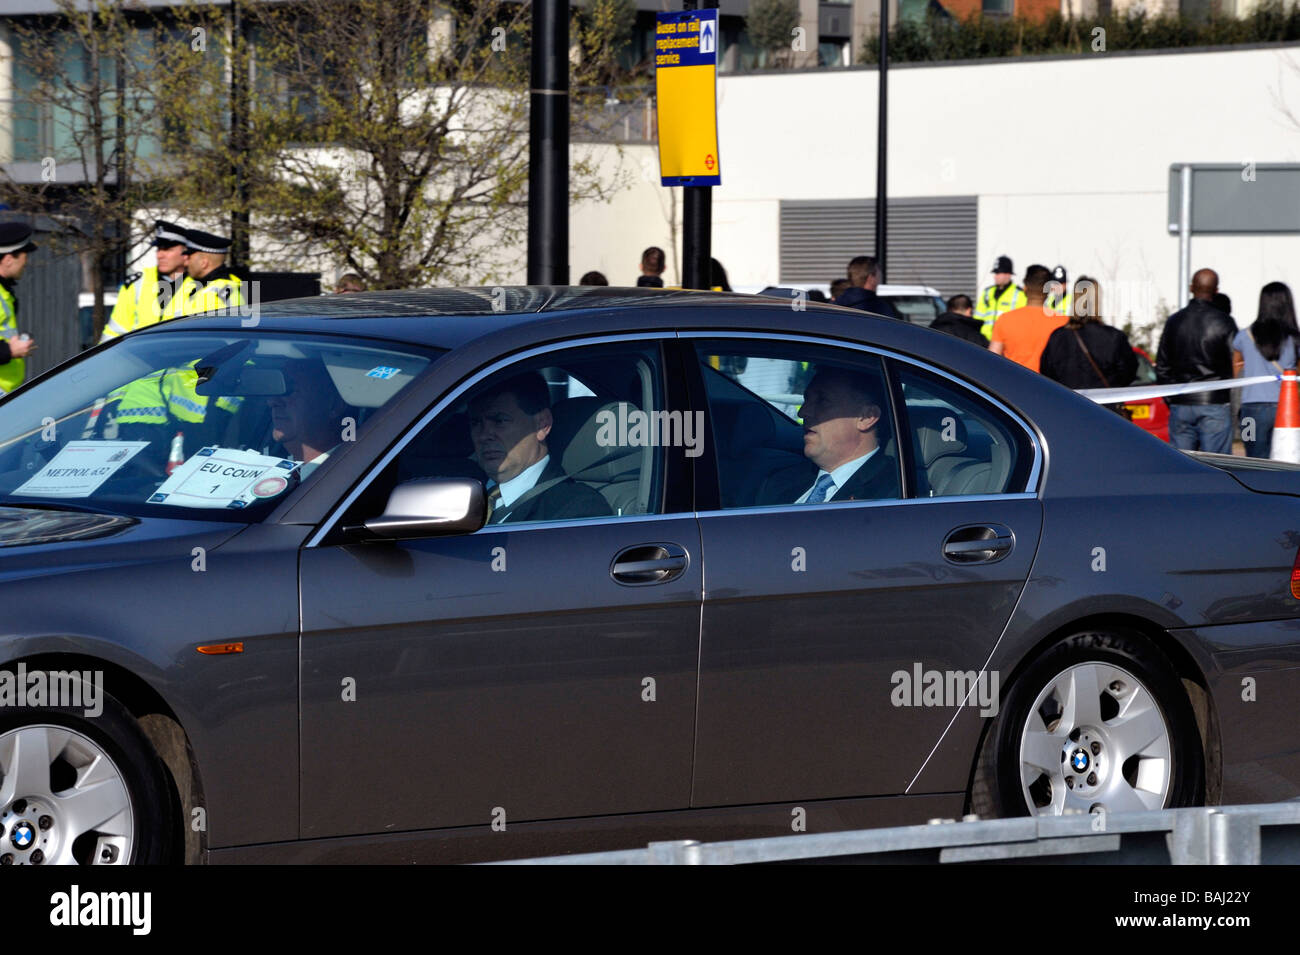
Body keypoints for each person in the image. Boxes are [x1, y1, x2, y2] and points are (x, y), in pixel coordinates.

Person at [469, 372, 609, 524]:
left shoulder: (577, 508)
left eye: (500, 421)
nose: (484, 435)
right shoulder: (459, 490)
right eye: (476, 423)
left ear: (542, 425)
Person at [758, 367, 900, 504]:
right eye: (806, 399)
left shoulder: (895, 494)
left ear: (867, 417)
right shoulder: (780, 481)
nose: (802, 412)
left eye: (822, 401)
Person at [1156, 267, 1238, 453]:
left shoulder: (1174, 321)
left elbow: (1162, 366)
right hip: (1214, 403)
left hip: (1181, 402)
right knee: (1218, 469)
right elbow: (1236, 364)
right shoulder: (1224, 322)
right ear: (1216, 291)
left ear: (1191, 287)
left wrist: (1172, 397)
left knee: (1182, 470)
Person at [1039, 277, 1137, 397]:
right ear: (1097, 300)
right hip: (1103, 407)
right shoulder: (1114, 337)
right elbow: (1129, 372)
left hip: (1066, 406)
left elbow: (1046, 373)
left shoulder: (1057, 337)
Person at [1232, 282, 1299, 458]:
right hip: (1286, 410)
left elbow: (1235, 366)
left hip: (1250, 412)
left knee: (1252, 458)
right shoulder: (1294, 339)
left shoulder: (1244, 336)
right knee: (1284, 460)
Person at [100, 220, 191, 342]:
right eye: (159, 249)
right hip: (140, 359)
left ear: (185, 253)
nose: (160, 255)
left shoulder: (202, 284)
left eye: (167, 249)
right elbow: (114, 332)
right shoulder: (136, 283)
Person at [267, 358, 353, 474]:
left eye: (291, 390)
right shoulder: (270, 467)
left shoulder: (352, 476)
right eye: (277, 389)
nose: (272, 401)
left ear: (334, 405)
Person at [989, 264, 1066, 372]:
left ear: (1025, 288)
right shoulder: (1063, 322)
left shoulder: (1005, 320)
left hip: (1014, 384)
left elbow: (992, 361)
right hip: (1051, 386)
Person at [0, 222, 36, 395]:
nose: (26, 263)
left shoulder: (4, 291)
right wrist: (9, 350)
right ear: (8, 259)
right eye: (24, 256)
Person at [177, 229, 243, 315]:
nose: (185, 263)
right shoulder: (203, 289)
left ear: (204, 263)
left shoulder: (218, 296)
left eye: (189, 258)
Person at [975, 255, 1026, 340]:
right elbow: (978, 319)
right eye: (995, 273)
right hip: (984, 342)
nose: (995, 276)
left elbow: (1022, 323)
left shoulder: (1020, 294)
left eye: (998, 273)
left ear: (1008, 274)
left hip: (1006, 342)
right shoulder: (987, 292)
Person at [836, 256, 900, 320]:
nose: (881, 275)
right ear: (871, 278)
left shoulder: (834, 306)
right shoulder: (879, 308)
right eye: (879, 271)